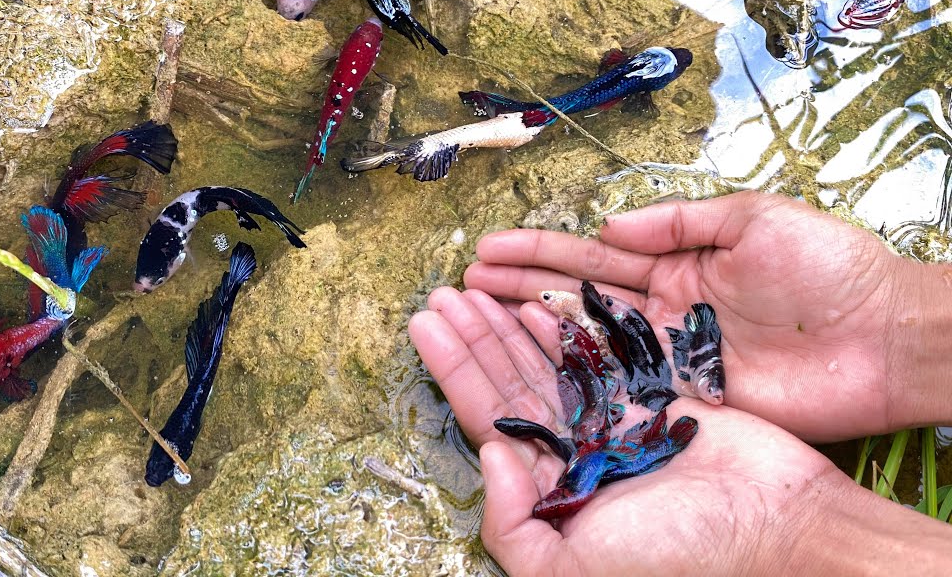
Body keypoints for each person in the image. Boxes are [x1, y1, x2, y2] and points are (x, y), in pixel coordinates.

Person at [408, 191, 952, 575]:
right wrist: (893, 317)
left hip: (626, 434)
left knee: (614, 400)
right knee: (608, 393)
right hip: (622, 431)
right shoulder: (617, 419)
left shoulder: (632, 422)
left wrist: (777, 546)